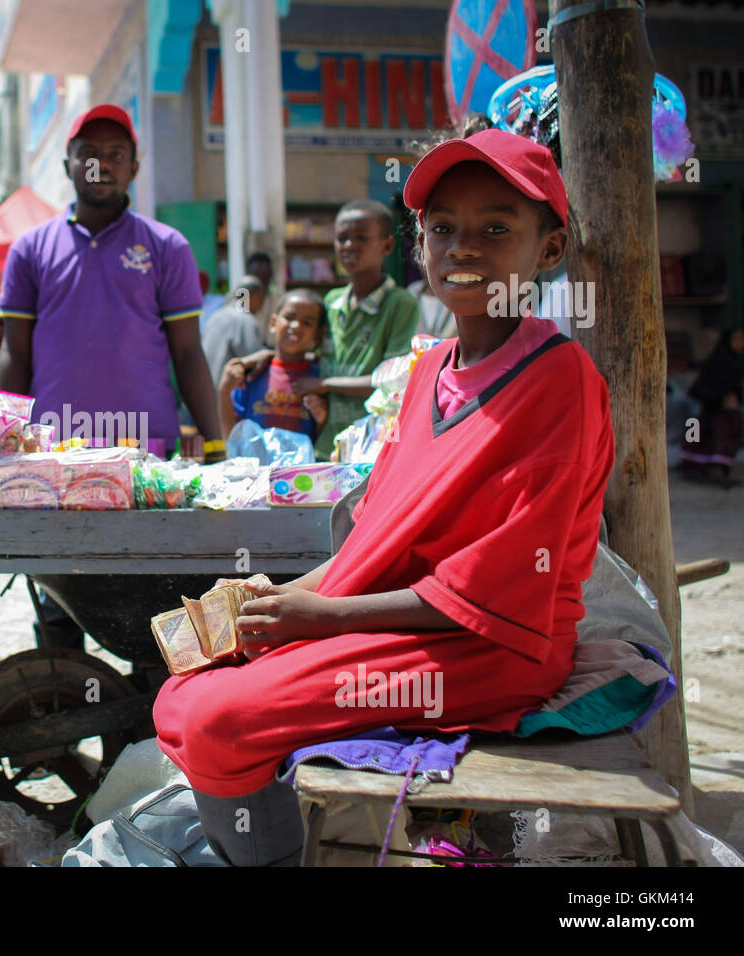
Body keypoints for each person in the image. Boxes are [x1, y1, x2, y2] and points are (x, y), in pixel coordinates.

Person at [153, 129, 614, 866]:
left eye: (497, 227)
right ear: (420, 247)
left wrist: (325, 618)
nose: (464, 247)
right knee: (189, 675)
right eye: (442, 229)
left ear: (550, 250)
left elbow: (499, 589)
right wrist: (276, 596)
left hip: (493, 646)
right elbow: (376, 537)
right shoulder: (430, 372)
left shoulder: (560, 382)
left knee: (216, 720)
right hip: (402, 615)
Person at [0, 104, 225, 461]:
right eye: (88, 154)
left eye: (116, 154)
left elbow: (189, 351)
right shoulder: (29, 249)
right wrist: (1, 440)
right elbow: (15, 353)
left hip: (146, 449)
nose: (101, 164)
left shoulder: (167, 246)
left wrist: (215, 442)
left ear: (134, 167)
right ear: (66, 167)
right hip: (53, 448)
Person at [236, 201, 419, 460]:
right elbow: (314, 354)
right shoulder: (332, 302)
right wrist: (268, 356)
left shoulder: (400, 304)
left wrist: (324, 385)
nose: (349, 245)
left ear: (387, 246)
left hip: (372, 445)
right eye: (342, 238)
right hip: (326, 442)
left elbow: (392, 382)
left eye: (361, 238)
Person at [218, 289, 327, 442]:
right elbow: (231, 436)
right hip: (254, 465)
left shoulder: (318, 380)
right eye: (289, 317)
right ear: (273, 323)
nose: (295, 326)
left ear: (318, 336)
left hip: (301, 466)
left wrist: (321, 419)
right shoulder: (252, 374)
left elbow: (322, 440)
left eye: (307, 323)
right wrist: (224, 390)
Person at [681, 328, 744, 487]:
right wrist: (721, 399)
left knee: (727, 430)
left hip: (721, 410)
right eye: (736, 339)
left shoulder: (735, 362)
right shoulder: (718, 360)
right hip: (702, 407)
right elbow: (703, 388)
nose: (740, 343)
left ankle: (719, 470)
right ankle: (695, 468)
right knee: (696, 434)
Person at [202, 274, 269, 386]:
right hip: (225, 395)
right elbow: (256, 361)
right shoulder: (245, 320)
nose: (261, 305)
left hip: (205, 392)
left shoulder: (215, 316)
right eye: (261, 299)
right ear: (253, 296)